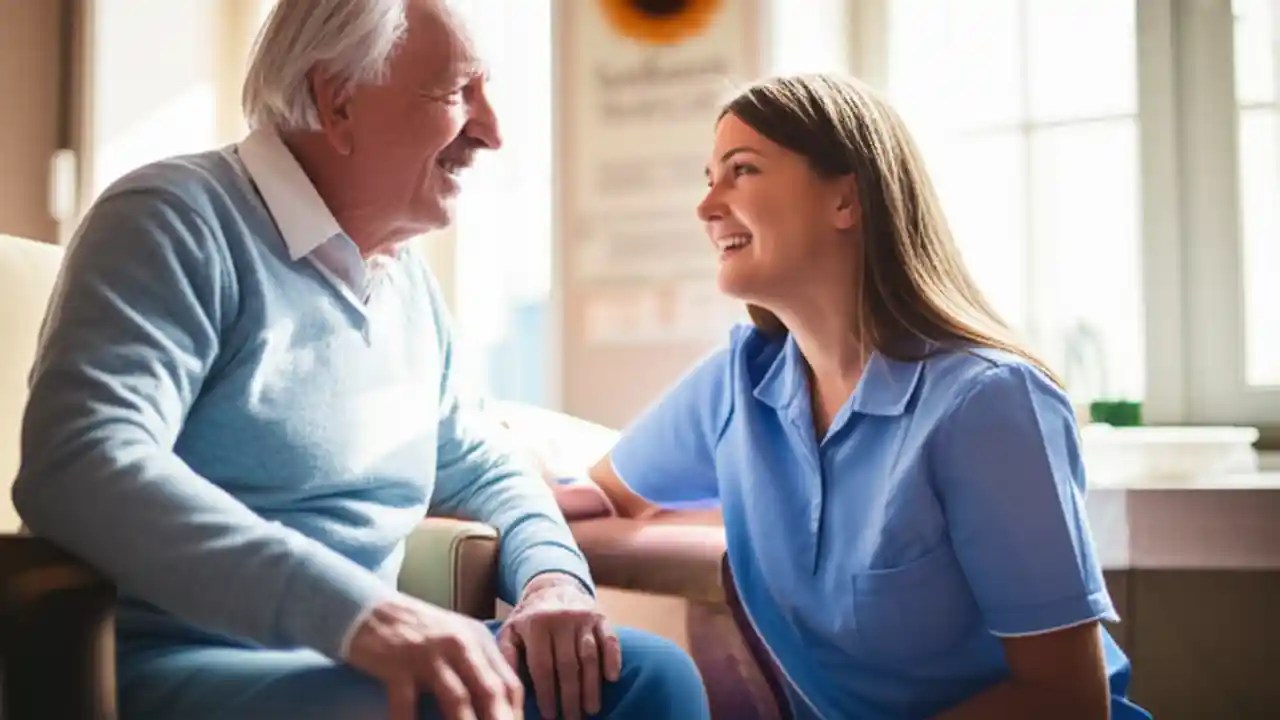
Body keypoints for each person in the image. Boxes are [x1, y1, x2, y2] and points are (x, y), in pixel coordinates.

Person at [13, 1, 709, 719]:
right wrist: (362, 616)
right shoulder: (172, 219)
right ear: (337, 101)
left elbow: (483, 464)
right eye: (456, 92)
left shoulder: (402, 278)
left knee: (646, 676)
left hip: (351, 661)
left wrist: (553, 581)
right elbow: (83, 461)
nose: (492, 130)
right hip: (176, 660)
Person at [589, 74, 1151, 720]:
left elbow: (1067, 702)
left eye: (741, 171)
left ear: (847, 200)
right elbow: (604, 491)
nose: (706, 205)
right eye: (708, 176)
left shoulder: (988, 405)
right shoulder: (734, 387)